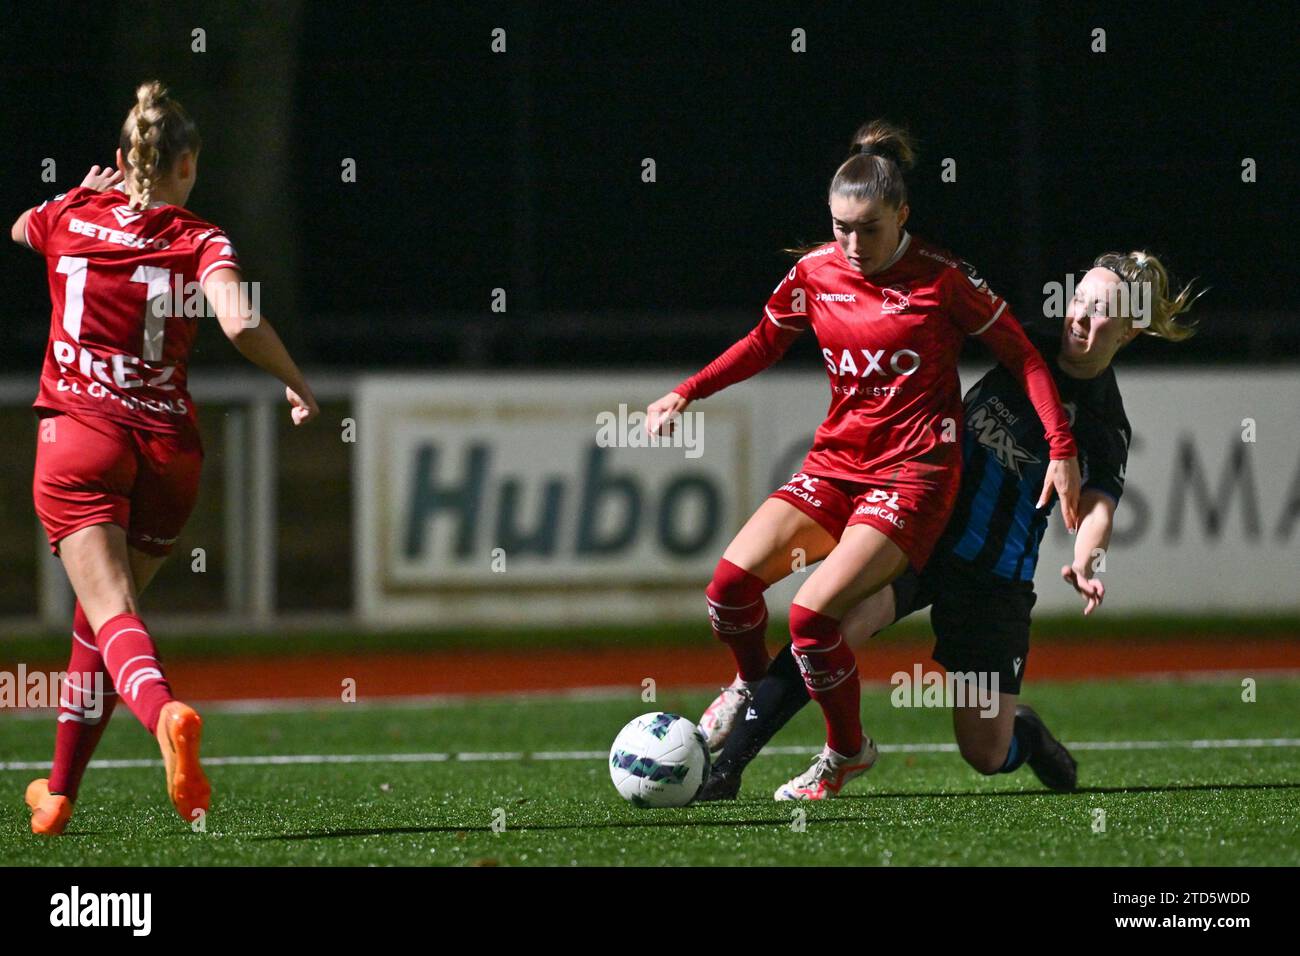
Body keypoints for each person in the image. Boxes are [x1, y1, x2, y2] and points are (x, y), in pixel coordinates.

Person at [646, 120, 1080, 801]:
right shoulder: (815, 273)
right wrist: (686, 391)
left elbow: (1024, 355)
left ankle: (845, 752)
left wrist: (1061, 448)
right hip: (833, 466)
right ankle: (749, 684)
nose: (852, 244)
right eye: (840, 226)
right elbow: (763, 342)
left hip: (915, 476)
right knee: (728, 591)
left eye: (868, 228)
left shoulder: (942, 280)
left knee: (812, 619)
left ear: (903, 214)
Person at [698, 251, 1200, 800]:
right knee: (825, 628)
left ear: (1127, 332)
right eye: (1079, 298)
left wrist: (1085, 559)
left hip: (993, 578)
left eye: (1102, 310)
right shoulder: (1025, 345)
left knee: (984, 753)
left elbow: (1099, 505)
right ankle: (729, 772)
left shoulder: (1105, 422)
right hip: (923, 533)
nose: (1080, 315)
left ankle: (1024, 735)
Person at [12, 81, 319, 835]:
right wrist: (294, 381)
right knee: (104, 619)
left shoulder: (69, 214)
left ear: (121, 157)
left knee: (110, 610)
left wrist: (76, 194)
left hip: (79, 438)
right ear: (188, 165)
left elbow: (19, 228)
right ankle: (57, 793)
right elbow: (241, 323)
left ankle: (165, 715)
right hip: (165, 451)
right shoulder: (200, 237)